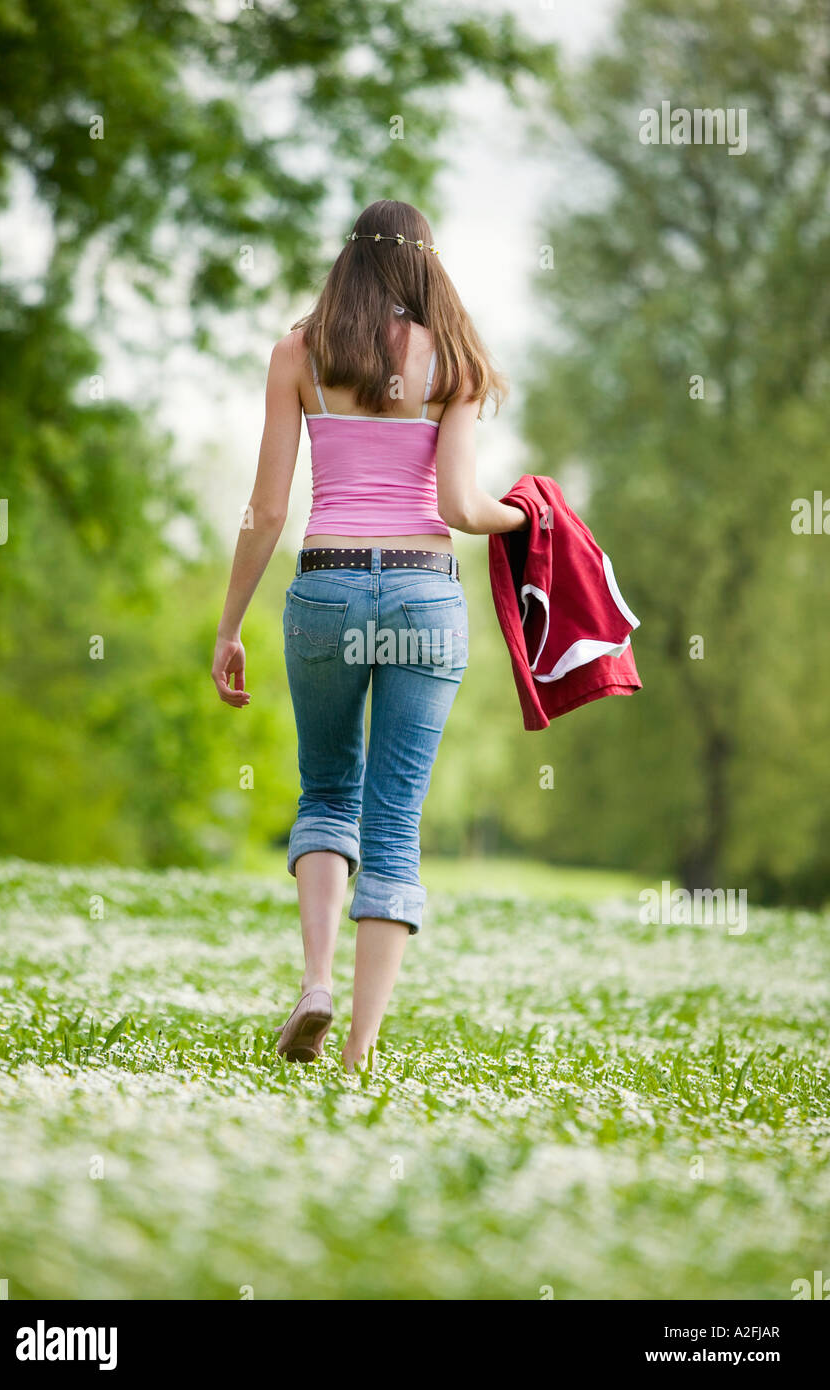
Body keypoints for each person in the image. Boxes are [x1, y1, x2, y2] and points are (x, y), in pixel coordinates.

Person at [212, 198, 528, 1072]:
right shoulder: (454, 360)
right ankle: (357, 1053)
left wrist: (230, 623)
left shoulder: (299, 354)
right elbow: (464, 509)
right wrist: (530, 513)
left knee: (324, 792)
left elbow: (268, 507)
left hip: (327, 587)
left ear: (348, 259)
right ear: (425, 263)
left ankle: (315, 981)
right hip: (425, 595)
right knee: (394, 823)